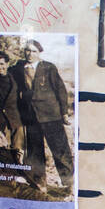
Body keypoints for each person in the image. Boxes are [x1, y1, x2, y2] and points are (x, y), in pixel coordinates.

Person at [15, 39, 73, 191]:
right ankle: (39, 183)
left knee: (60, 150)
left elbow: (60, 90)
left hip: (51, 115)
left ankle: (69, 183)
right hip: (31, 116)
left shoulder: (48, 67)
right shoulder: (19, 69)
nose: (30, 54)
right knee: (35, 151)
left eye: (34, 51)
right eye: (27, 50)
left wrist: (64, 113)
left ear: (39, 53)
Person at [0, 50, 25, 167]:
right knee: (3, 150)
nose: (0, 67)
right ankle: (6, 178)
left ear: (7, 64)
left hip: (16, 120)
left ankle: (19, 175)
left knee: (18, 151)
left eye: (2, 64)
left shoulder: (15, 77)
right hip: (0, 120)